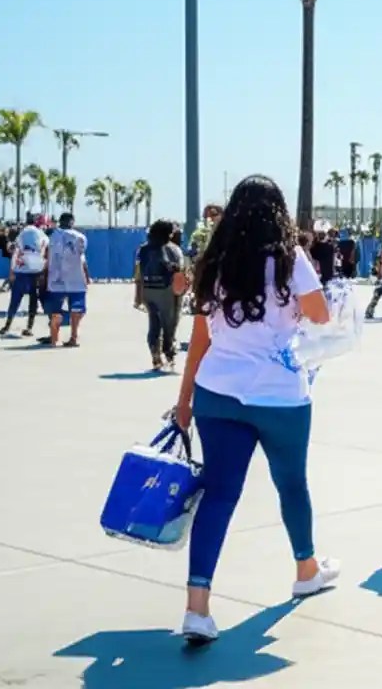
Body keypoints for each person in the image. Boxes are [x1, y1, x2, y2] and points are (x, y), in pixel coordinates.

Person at [172, 175, 335, 644]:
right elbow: (320, 313)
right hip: (279, 395)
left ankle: (196, 607)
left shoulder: (216, 262)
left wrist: (184, 402)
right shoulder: (289, 259)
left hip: (217, 393)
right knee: (291, 484)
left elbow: (200, 339)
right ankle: (306, 568)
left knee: (219, 495)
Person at [134, 219, 189, 371]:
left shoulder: (143, 249)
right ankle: (169, 354)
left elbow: (138, 273)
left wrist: (137, 296)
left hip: (148, 289)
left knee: (154, 323)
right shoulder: (174, 249)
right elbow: (180, 271)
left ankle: (155, 356)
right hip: (167, 291)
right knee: (169, 325)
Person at [40, 213, 89, 348]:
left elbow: (46, 255)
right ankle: (73, 338)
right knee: (77, 308)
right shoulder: (80, 237)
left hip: (56, 278)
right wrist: (87, 277)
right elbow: (82, 258)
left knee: (55, 310)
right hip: (75, 277)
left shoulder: (51, 236)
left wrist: (44, 274)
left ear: (60, 222)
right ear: (72, 222)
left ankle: (54, 339)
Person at [0, 214, 46, 337]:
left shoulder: (22, 233)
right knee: (33, 301)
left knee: (15, 300)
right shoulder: (41, 234)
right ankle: (29, 327)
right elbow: (46, 250)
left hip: (21, 271)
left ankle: (7, 326)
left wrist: (12, 272)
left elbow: (14, 251)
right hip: (36, 272)